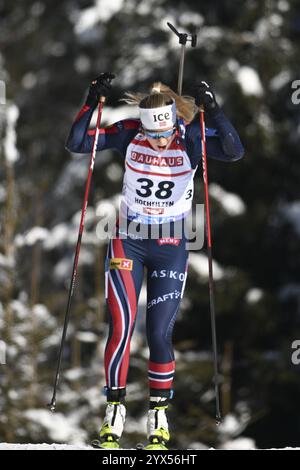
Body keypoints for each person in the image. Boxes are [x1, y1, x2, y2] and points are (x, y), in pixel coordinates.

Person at [66, 73, 244, 449]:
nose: (160, 143)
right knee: (121, 327)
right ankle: (113, 413)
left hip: (170, 243)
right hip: (128, 240)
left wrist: (213, 110)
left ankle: (157, 420)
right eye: (153, 136)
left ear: (174, 125)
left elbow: (233, 150)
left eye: (164, 136)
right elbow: (78, 142)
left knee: (160, 333)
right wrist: (90, 101)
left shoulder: (191, 137)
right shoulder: (131, 132)